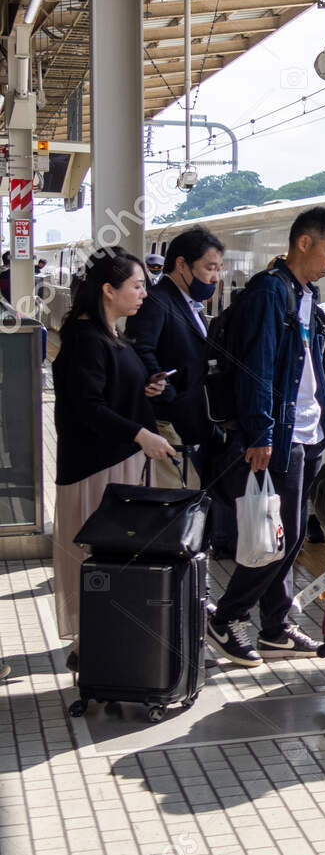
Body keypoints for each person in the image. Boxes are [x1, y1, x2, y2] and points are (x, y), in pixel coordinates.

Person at [207, 206, 325, 666]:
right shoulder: (270, 293)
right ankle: (226, 616)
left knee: (287, 532)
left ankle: (275, 627)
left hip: (307, 432)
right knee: (277, 535)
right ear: (303, 243)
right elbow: (258, 366)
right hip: (280, 434)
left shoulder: (305, 292)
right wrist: (261, 432)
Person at [51, 247, 179, 670]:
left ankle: (106, 643)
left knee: (114, 559)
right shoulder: (86, 339)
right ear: (108, 290)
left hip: (117, 463)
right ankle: (93, 648)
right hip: (96, 468)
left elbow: (110, 391)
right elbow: (86, 406)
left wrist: (146, 389)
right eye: (137, 286)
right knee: (96, 561)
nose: (144, 294)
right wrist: (141, 433)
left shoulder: (111, 333)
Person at [125, 226, 225, 487]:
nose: (216, 278)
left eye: (218, 269)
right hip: (171, 424)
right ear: (182, 264)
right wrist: (170, 396)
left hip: (194, 423)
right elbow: (140, 349)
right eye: (210, 268)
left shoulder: (191, 304)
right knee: (178, 499)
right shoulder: (157, 301)